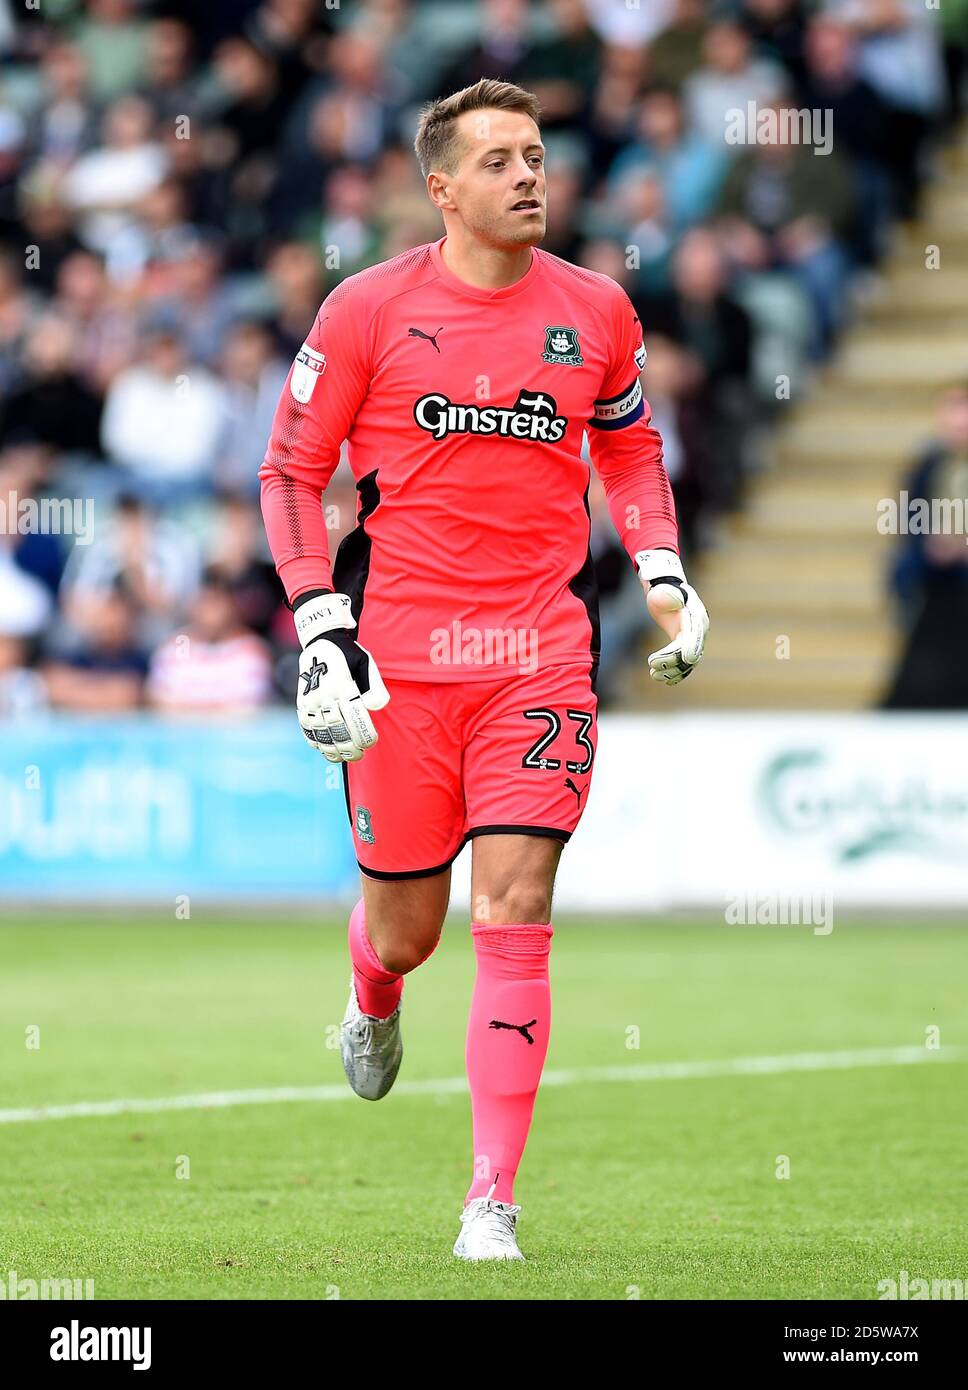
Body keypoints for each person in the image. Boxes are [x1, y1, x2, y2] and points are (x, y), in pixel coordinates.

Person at [259, 78, 709, 1262]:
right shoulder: (363, 311)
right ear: (440, 187)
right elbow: (289, 473)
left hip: (539, 657)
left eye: (536, 154)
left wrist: (660, 566)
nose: (527, 175)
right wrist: (318, 619)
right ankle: (371, 993)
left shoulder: (597, 310)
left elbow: (626, 440)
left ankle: (488, 1198)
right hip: (399, 668)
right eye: (499, 159)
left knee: (514, 908)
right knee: (406, 930)